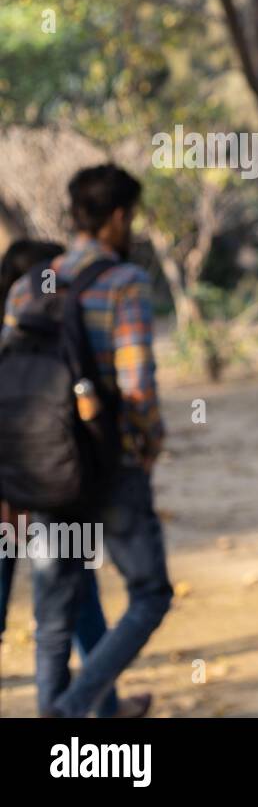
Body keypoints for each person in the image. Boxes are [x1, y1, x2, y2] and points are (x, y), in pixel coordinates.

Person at [2, 165, 172, 718]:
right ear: (117, 217)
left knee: (53, 621)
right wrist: (148, 446)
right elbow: (137, 386)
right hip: (112, 465)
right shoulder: (124, 284)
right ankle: (73, 708)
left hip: (48, 469)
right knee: (149, 593)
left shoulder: (31, 286)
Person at [0, 239, 137, 718]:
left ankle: (103, 707)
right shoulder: (36, 347)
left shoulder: (25, 344)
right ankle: (96, 709)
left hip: (34, 498)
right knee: (66, 611)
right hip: (32, 501)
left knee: (72, 608)